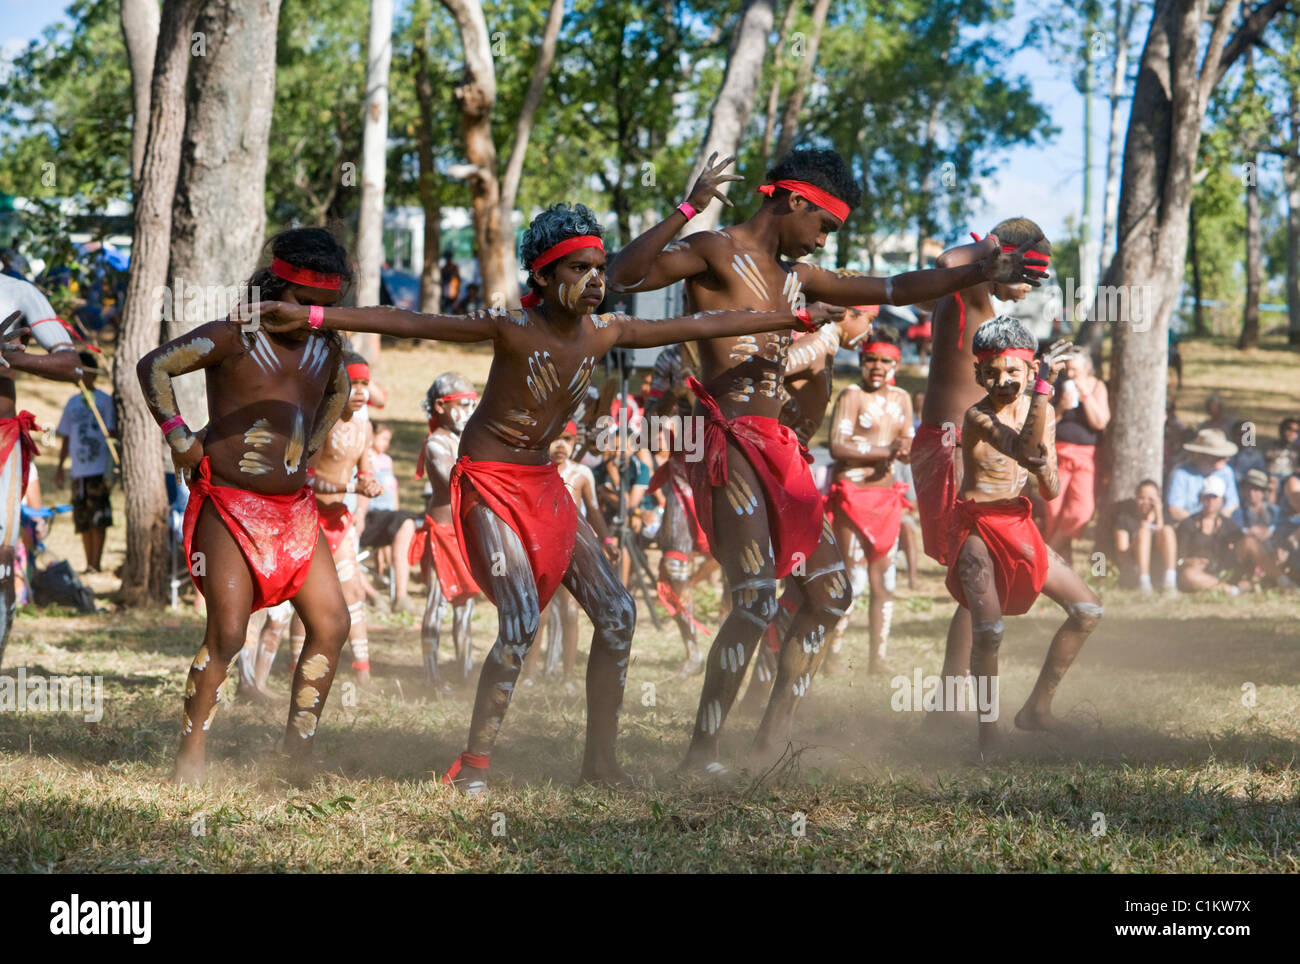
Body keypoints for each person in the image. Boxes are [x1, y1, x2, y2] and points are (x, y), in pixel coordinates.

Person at [241, 201, 842, 792]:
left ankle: (600, 764)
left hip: (543, 484)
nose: (594, 280)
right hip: (490, 482)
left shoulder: (608, 331)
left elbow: (699, 324)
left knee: (619, 616)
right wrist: (318, 320)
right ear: (544, 276)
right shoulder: (510, 326)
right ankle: (474, 768)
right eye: (577, 269)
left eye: (599, 268)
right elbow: (411, 321)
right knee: (521, 620)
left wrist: (788, 322)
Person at [606, 149, 1046, 774]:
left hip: (780, 447)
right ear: (795, 200)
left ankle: (768, 744)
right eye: (824, 227)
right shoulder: (713, 250)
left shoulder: (799, 277)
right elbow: (622, 277)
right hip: (727, 441)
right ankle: (699, 756)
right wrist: (687, 206)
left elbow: (895, 287)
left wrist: (981, 270)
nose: (821, 241)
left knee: (833, 593)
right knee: (755, 598)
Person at [136, 226, 354, 783]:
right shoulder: (233, 335)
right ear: (276, 286)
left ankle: (296, 753)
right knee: (229, 633)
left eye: (327, 307)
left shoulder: (326, 345)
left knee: (331, 624)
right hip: (230, 504)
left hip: (295, 510)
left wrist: (312, 446)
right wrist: (180, 435)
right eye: (306, 304)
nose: (314, 317)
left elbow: (339, 393)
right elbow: (154, 365)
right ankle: (191, 750)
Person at [911, 218, 1054, 714]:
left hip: (962, 445)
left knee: (978, 581)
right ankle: (947, 705)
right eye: (1025, 279)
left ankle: (947, 703)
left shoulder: (982, 303)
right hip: (953, 446)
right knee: (977, 580)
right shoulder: (970, 285)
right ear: (1003, 262)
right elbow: (947, 261)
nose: (1024, 293)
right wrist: (994, 251)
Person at [948, 318, 1099, 752]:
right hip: (977, 525)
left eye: (1013, 372)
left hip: (1016, 522)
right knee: (990, 629)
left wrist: (1044, 467)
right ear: (978, 374)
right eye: (992, 372)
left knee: (1088, 610)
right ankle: (988, 733)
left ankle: (1037, 709)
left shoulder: (1044, 411)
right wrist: (1045, 391)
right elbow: (1020, 449)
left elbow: (1049, 488)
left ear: (1029, 371)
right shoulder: (976, 415)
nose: (1002, 381)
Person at [0, 277, 86, 669]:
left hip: (1, 441)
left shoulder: (18, 292)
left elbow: (72, 366)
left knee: (2, 561)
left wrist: (12, 358)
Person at [286, 351, 384, 686]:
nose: (360, 392)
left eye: (364, 384)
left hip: (338, 520)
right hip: (310, 519)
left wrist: (369, 484)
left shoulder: (364, 428)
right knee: (308, 599)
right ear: (335, 385)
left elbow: (365, 471)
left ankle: (363, 670)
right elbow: (304, 476)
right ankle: (293, 668)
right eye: (353, 383)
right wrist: (352, 486)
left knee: (353, 592)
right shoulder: (317, 423)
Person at [824, 326, 912, 674]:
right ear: (861, 361)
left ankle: (878, 660)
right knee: (854, 580)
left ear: (897, 365)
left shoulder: (902, 398)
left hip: (886, 498)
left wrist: (904, 448)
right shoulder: (851, 396)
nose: (877, 367)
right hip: (852, 495)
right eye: (871, 359)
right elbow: (837, 446)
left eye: (885, 361)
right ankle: (831, 655)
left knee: (884, 582)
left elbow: (907, 441)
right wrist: (884, 450)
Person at [522, 422, 614, 689]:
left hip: (574, 550)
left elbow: (594, 510)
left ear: (575, 442)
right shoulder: (536, 472)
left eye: (568, 439)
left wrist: (606, 540)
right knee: (541, 613)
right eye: (556, 438)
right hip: (542, 550)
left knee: (571, 611)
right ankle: (529, 674)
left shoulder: (582, 473)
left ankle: (567, 677)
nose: (561, 445)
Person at [409, 372, 483, 690]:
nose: (469, 412)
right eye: (462, 405)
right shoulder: (437, 443)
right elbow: (458, 483)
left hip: (465, 534)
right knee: (437, 604)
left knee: (465, 605)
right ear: (440, 406)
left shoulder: (461, 440)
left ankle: (465, 673)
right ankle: (430, 677)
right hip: (442, 532)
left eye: (473, 405)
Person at [1043, 348, 1109, 561]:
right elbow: (1044, 424)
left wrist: (1086, 395)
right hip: (1058, 455)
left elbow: (1100, 422)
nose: (1069, 374)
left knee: (1081, 511)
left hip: (1086, 457)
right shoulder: (1058, 387)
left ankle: (1047, 556)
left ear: (1086, 368)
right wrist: (1061, 408)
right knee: (1052, 512)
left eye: (1074, 370)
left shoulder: (1098, 386)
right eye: (1067, 369)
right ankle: (1059, 566)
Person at [54, 351, 116, 573]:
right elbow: (66, 436)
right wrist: (61, 467)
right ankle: (87, 562)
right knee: (83, 518)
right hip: (78, 470)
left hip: (98, 467)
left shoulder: (105, 401)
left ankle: (95, 563)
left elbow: (112, 432)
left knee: (98, 516)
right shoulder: (72, 403)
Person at [1175, 476, 1288, 593]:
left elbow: (1245, 547)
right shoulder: (1188, 524)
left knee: (1250, 542)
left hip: (1223, 569)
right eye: (1207, 497)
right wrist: (1188, 561)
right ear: (1201, 499)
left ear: (1222, 500)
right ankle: (1232, 590)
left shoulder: (1228, 524)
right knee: (1188, 575)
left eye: (1215, 497)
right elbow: (1179, 556)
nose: (1211, 501)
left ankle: (1283, 581)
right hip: (1197, 572)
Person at [356, 421, 417, 612]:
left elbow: (392, 489)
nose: (386, 444)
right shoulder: (361, 457)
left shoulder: (386, 461)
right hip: (363, 515)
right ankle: (373, 596)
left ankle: (401, 597)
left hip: (385, 515)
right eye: (383, 438)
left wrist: (396, 512)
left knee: (406, 522)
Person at [1113, 479, 1178, 594]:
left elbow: (1163, 535)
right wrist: (1138, 539)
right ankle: (1144, 584)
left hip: (1158, 562)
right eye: (1142, 498)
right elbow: (1121, 555)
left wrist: (1158, 516)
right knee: (1143, 532)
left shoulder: (1164, 515)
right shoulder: (1125, 518)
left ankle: (1170, 582)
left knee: (1167, 530)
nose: (1146, 502)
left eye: (1151, 499)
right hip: (1133, 566)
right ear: (1136, 498)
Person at [1167, 429, 1240, 521]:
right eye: (1221, 456)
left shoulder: (1226, 472)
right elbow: (1175, 510)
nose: (1227, 459)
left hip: (1220, 527)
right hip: (1189, 528)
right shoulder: (1181, 473)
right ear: (1205, 455)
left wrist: (1216, 524)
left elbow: (1232, 505)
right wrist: (1199, 526)